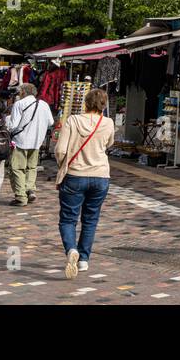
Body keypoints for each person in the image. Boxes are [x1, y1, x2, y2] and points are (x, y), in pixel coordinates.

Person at [55, 88, 115, 279]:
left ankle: (72, 249)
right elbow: (109, 144)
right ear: (103, 106)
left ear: (86, 103)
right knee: (90, 219)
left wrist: (62, 164)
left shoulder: (73, 121)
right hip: (101, 176)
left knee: (68, 219)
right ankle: (83, 259)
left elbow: (60, 150)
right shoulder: (108, 123)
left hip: (75, 174)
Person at [5, 83, 53, 206]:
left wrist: (7, 121)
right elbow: (50, 122)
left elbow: (13, 125)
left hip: (21, 140)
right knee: (31, 167)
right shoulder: (44, 104)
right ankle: (29, 188)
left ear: (22, 92)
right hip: (37, 141)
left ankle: (21, 196)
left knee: (17, 168)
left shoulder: (19, 104)